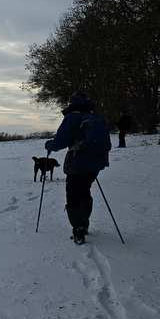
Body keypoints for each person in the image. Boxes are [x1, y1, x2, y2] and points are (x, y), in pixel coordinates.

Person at [44, 91, 111, 245]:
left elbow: (60, 142)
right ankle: (84, 223)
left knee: (73, 195)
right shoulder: (95, 117)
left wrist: (49, 145)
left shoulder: (73, 117)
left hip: (78, 163)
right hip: (96, 164)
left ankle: (78, 229)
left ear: (73, 103)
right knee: (85, 191)